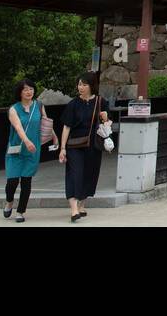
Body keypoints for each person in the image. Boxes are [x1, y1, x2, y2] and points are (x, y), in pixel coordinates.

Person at [58, 71, 108, 223]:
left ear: (92, 86)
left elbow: (107, 124)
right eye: (79, 84)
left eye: (84, 84)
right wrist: (63, 148)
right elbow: (66, 127)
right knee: (75, 174)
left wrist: (106, 119)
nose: (81, 87)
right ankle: (74, 209)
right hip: (74, 145)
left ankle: (82, 204)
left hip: (93, 145)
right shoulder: (73, 104)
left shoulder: (101, 102)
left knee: (89, 173)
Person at [3, 78, 49, 223]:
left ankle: (21, 211)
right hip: (16, 149)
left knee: (26, 181)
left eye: (31, 89)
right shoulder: (13, 109)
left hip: (32, 150)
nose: (29, 92)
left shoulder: (39, 106)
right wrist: (27, 141)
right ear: (20, 92)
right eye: (25, 89)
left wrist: (54, 137)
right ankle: (9, 201)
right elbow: (18, 127)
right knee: (12, 181)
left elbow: (46, 124)